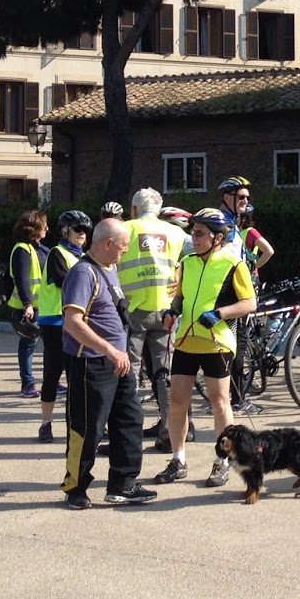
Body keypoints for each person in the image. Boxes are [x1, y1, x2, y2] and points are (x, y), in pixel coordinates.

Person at [152, 208, 257, 487]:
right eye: (193, 232)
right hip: (187, 339)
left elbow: (250, 303)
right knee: (177, 402)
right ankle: (178, 459)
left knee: (219, 402)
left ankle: (222, 462)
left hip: (216, 343)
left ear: (217, 238)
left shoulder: (234, 264)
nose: (193, 237)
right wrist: (171, 311)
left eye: (199, 233)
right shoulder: (187, 262)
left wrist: (220, 314)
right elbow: (180, 297)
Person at [60, 217, 156, 509]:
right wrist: (109, 351)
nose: (126, 250)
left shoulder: (109, 268)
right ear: (108, 243)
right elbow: (72, 322)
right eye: (124, 245)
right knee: (87, 427)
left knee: (129, 420)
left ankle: (123, 485)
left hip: (118, 361)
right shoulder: (82, 273)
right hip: (92, 363)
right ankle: (75, 487)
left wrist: (120, 352)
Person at [118, 187, 187, 441]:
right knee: (164, 374)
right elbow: (195, 259)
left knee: (129, 371)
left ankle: (129, 429)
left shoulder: (125, 229)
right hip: (166, 311)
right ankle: (169, 430)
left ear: (134, 209)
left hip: (133, 310)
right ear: (158, 210)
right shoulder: (176, 233)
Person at [34, 210, 87, 444]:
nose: (83, 234)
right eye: (78, 230)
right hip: (55, 321)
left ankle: (75, 425)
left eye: (86, 230)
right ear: (66, 231)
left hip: (75, 321)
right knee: (53, 372)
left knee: (75, 374)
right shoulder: (58, 253)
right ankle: (46, 424)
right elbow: (65, 281)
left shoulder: (82, 256)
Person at [8, 209, 49, 398]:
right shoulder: (22, 250)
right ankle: (27, 384)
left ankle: (51, 382)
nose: (47, 229)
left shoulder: (38, 247)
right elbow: (21, 279)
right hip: (29, 307)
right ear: (33, 229)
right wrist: (27, 304)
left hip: (43, 305)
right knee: (28, 344)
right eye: (43, 226)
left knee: (50, 344)